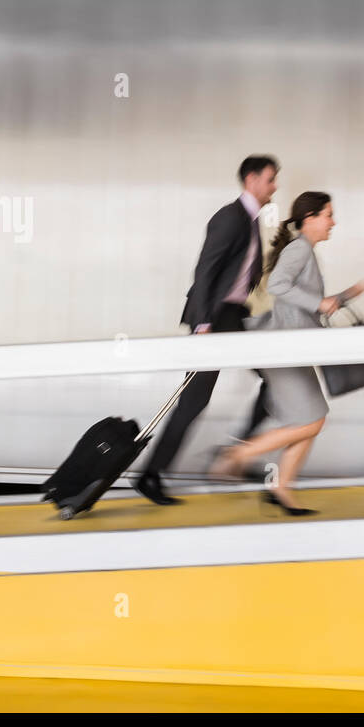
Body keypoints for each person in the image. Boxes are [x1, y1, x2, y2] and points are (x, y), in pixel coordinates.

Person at [207, 191, 364, 515]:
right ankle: (235, 456)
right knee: (309, 422)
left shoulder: (305, 250)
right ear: (310, 218)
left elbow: (310, 306)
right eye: (328, 215)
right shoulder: (299, 249)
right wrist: (320, 302)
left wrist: (347, 294)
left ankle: (281, 488)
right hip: (283, 348)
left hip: (295, 348)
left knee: (312, 418)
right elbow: (278, 285)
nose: (333, 222)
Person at [134, 155, 279, 506]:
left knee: (276, 381)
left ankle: (235, 455)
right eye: (270, 179)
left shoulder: (250, 221)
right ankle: (149, 475)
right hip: (213, 320)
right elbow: (204, 271)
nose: (274, 187)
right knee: (194, 400)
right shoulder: (230, 217)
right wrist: (202, 324)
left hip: (233, 317)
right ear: (251, 180)